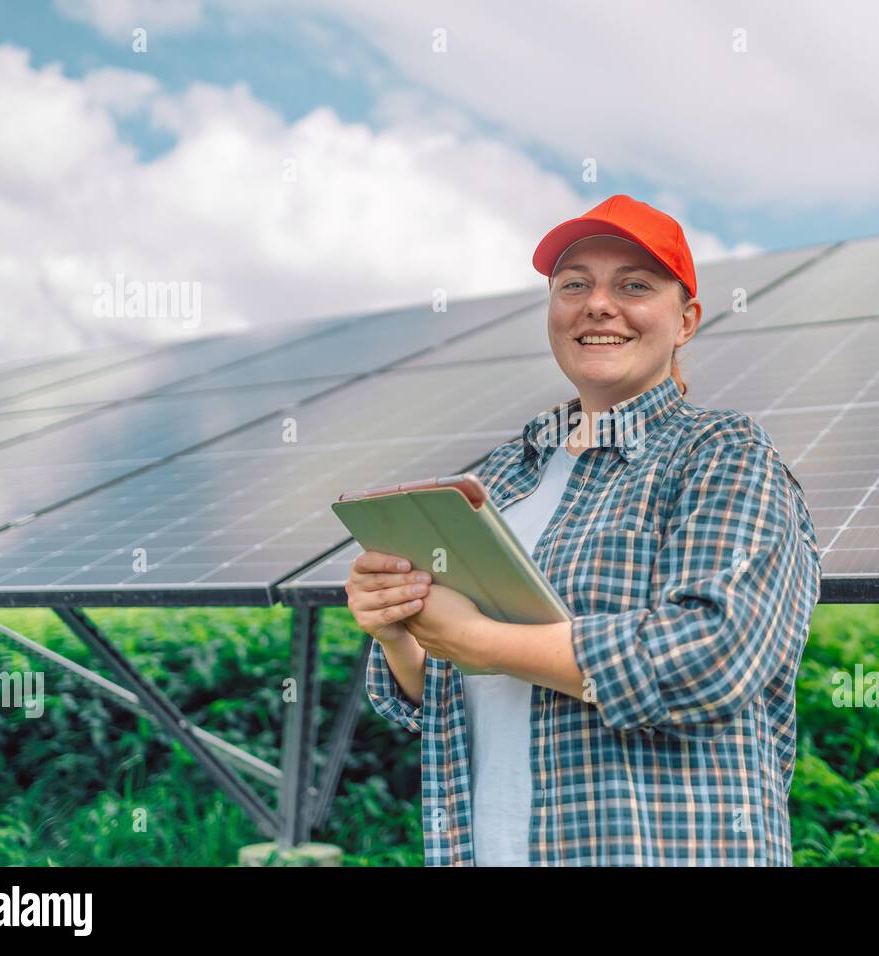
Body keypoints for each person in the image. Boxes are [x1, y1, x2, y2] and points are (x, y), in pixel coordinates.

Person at [344, 194, 821, 866]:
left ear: (685, 322)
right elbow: (452, 699)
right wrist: (400, 630)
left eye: (634, 285)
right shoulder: (501, 478)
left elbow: (713, 656)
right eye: (575, 285)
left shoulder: (723, 453)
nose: (598, 304)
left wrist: (481, 639)